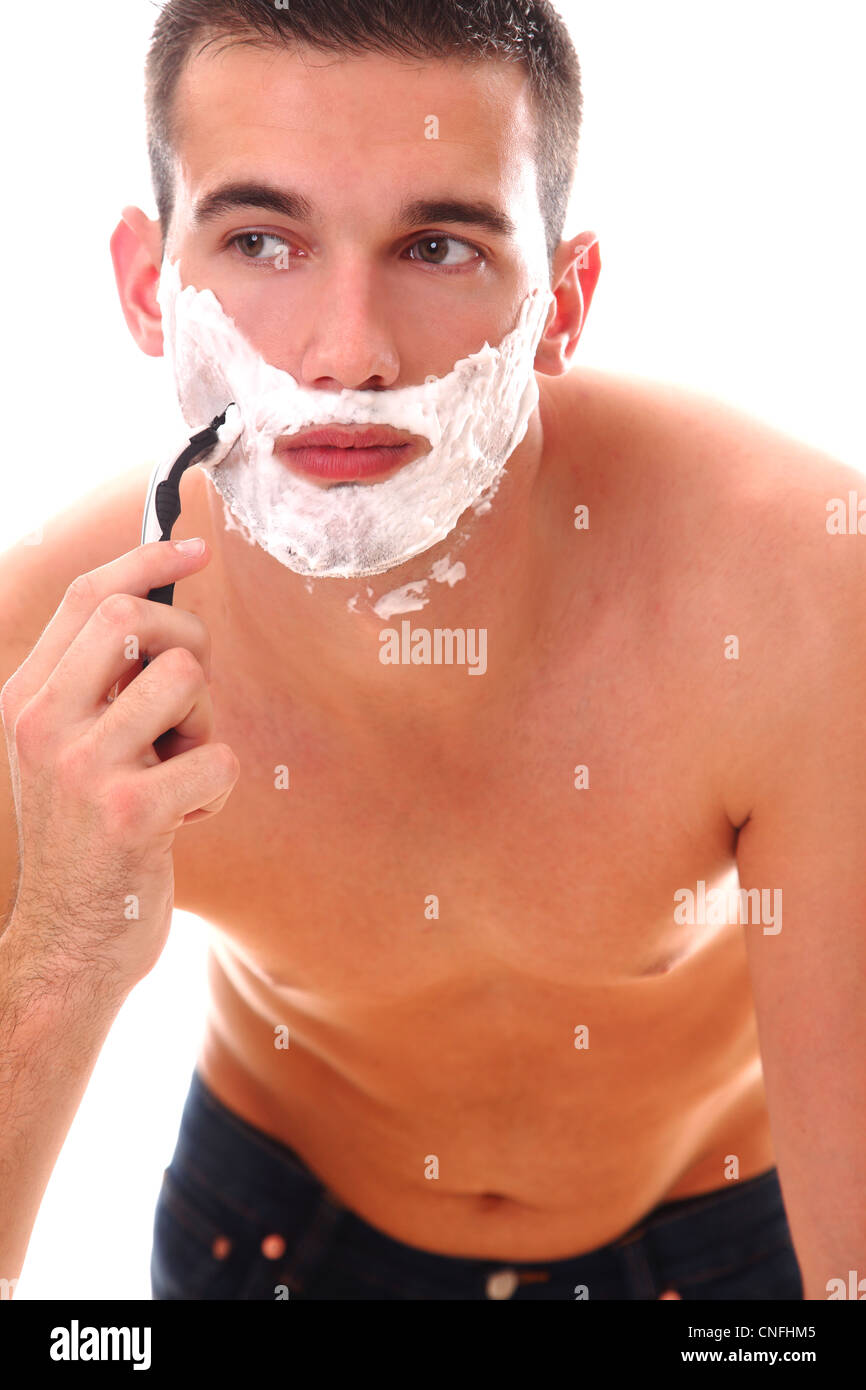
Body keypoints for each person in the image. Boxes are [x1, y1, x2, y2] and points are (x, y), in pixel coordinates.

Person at [1, 0, 862, 1302]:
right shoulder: (43, 652)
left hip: (722, 1244)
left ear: (561, 303)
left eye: (437, 245)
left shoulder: (802, 593)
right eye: (260, 239)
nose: (348, 354)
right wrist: (62, 946)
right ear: (143, 286)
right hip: (281, 1228)